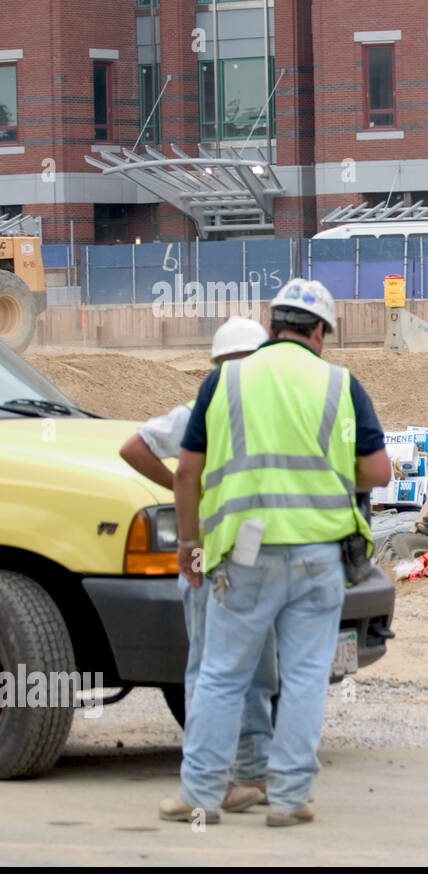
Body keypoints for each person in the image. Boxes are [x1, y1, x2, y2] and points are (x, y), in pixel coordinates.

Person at [160, 279, 392, 826]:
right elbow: (378, 470)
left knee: (221, 675)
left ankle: (200, 796)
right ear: (319, 333)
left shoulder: (226, 380)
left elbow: (188, 472)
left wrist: (190, 546)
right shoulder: (340, 383)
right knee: (307, 677)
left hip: (241, 557)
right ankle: (288, 801)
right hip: (319, 558)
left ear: (271, 328)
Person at [121, 315, 273, 813]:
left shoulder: (200, 410)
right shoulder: (278, 415)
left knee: (209, 668)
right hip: (259, 553)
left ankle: (214, 783)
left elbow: (133, 446)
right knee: (254, 669)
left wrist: (179, 490)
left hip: (208, 553)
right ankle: (252, 774)